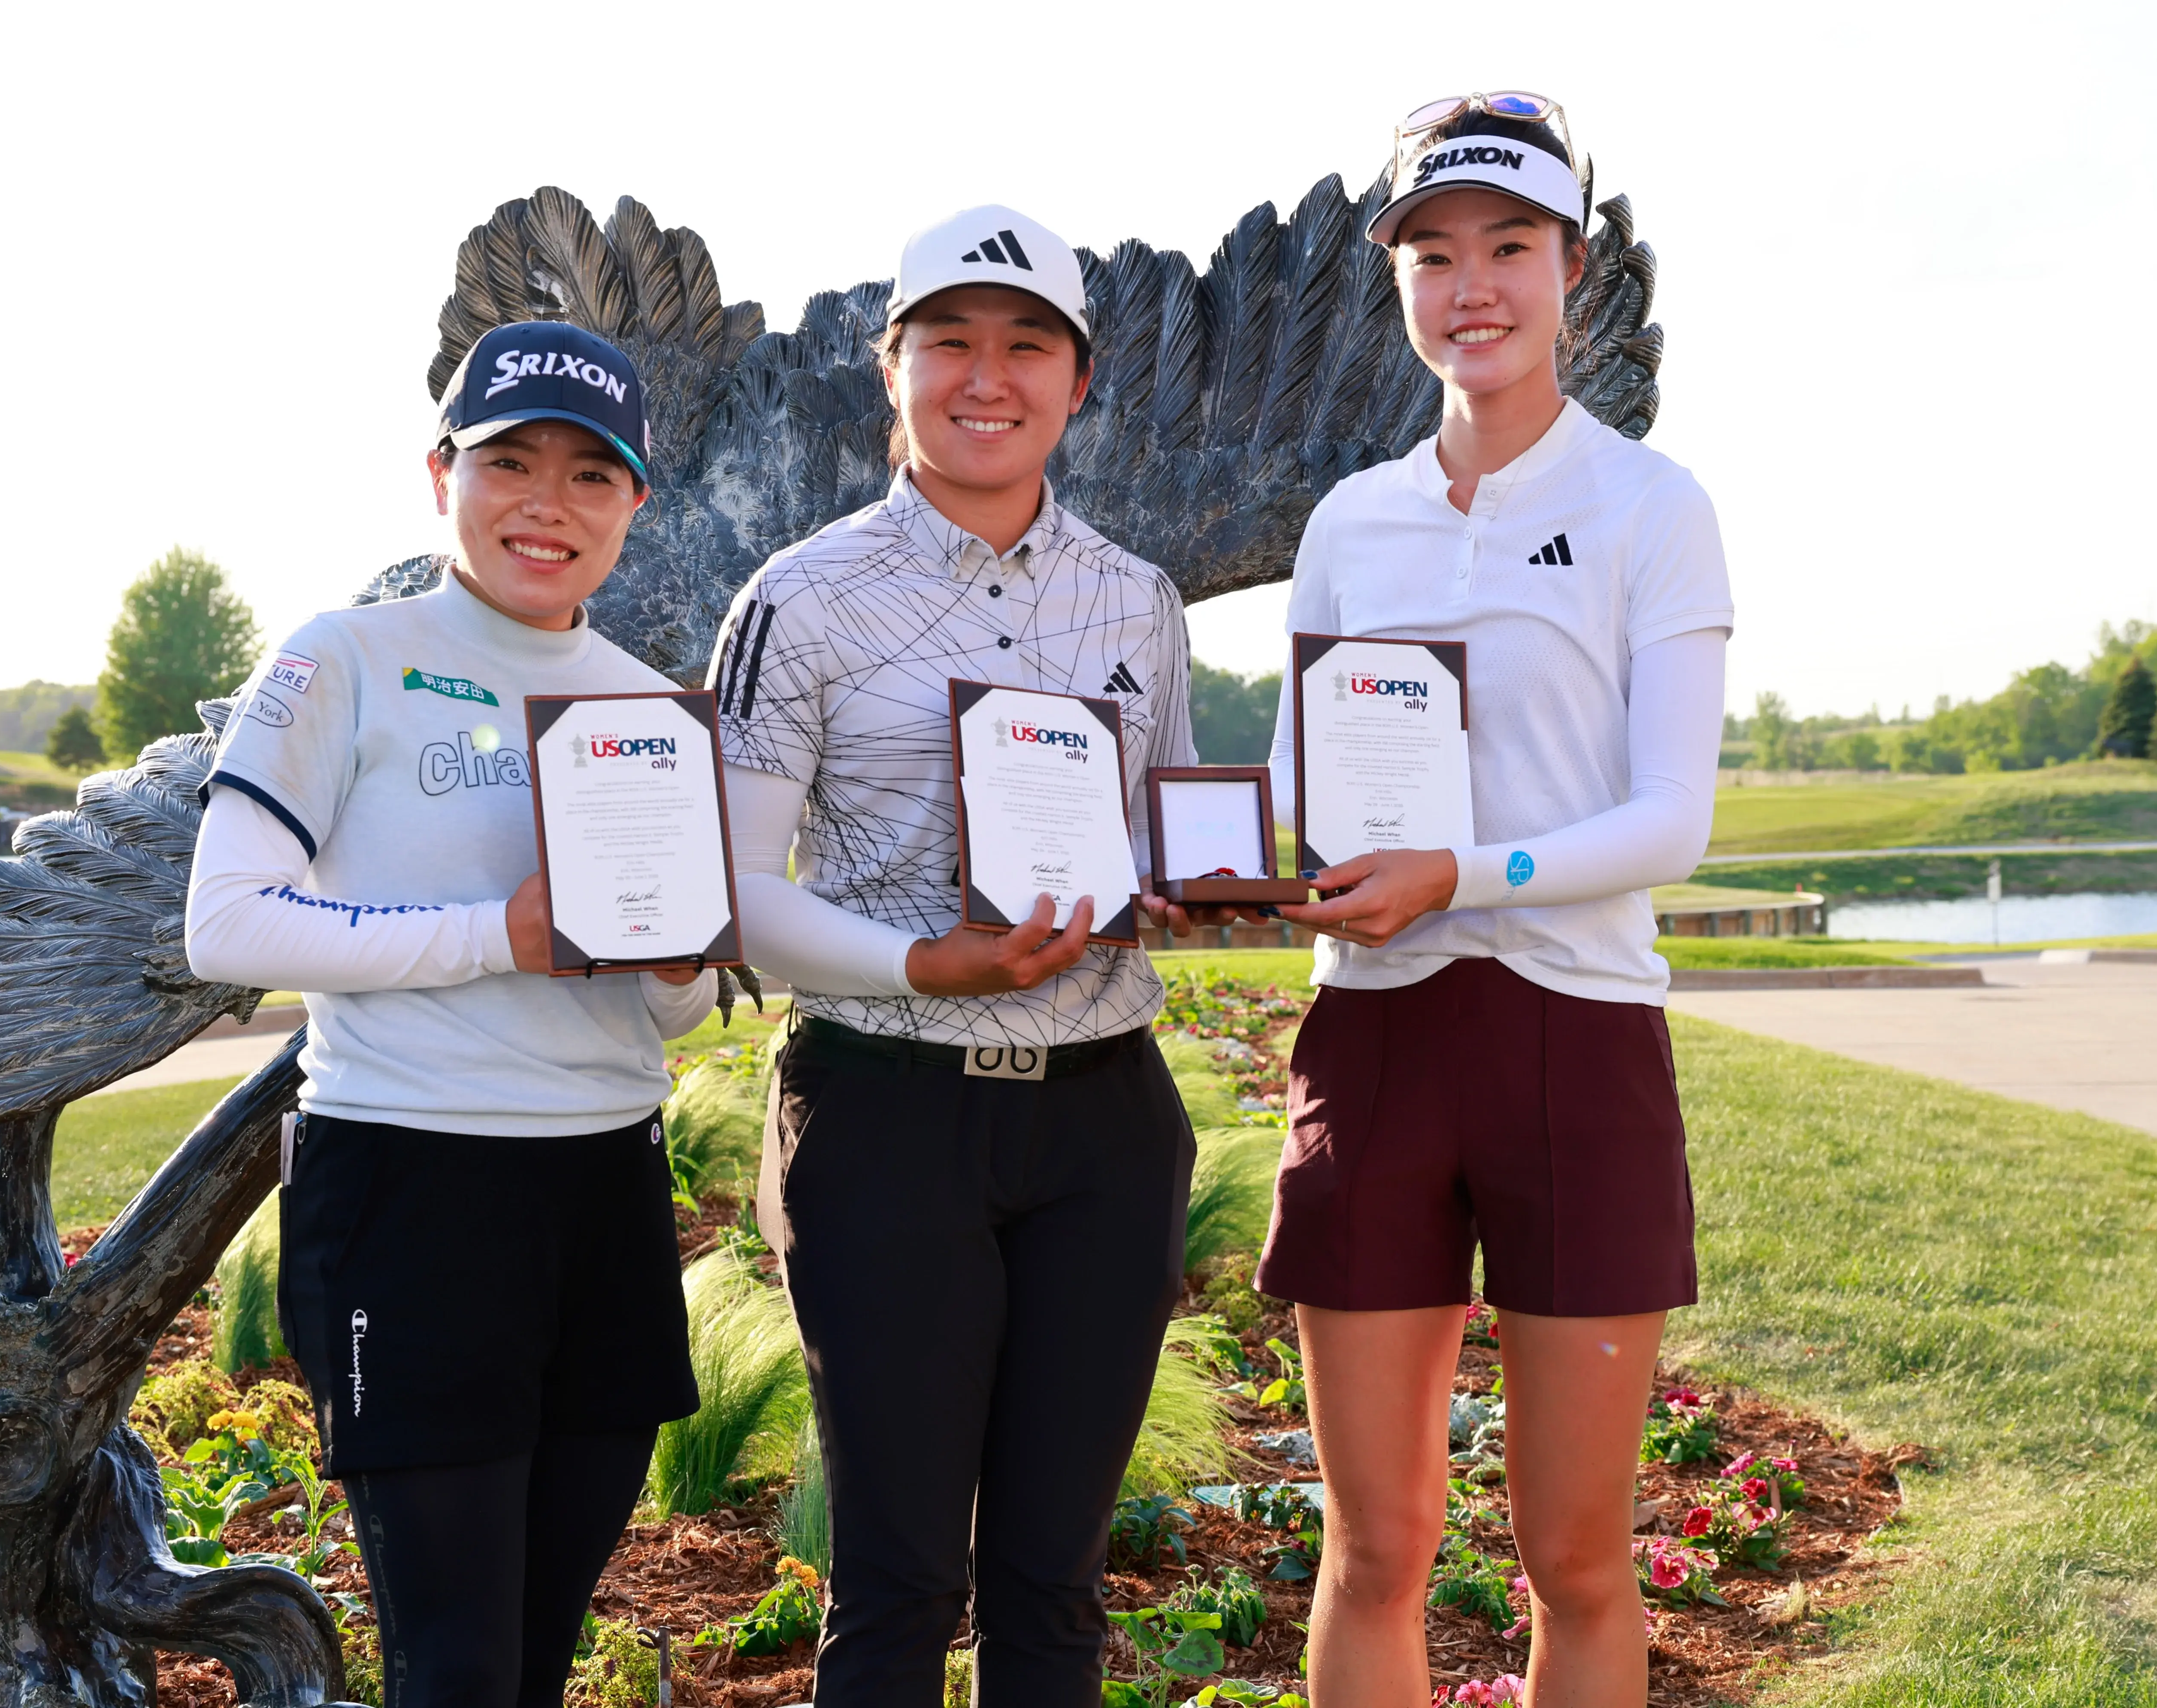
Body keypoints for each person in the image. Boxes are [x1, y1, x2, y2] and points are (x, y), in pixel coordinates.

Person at [707, 205, 1229, 1707]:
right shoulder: (799, 596)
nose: (987, 377)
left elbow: (1161, 834)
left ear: (1079, 380)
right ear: (893, 367)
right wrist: (924, 964)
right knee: (898, 1583)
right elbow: (727, 894)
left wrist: (1194, 892)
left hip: (1103, 1120)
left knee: (1056, 1589)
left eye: (1027, 346)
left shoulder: (1138, 597)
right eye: (950, 341)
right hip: (889, 1114)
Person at [1261, 95, 1733, 1707]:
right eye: (1437, 255)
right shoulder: (1353, 519)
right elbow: (1301, 783)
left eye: (1510, 248)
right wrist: (1240, 861)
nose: (1474, 287)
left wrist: (1463, 876)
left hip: (1577, 1041)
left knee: (1577, 1556)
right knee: (1374, 1551)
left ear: (1572, 270)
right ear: (1398, 278)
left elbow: (1673, 818)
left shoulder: (1651, 506)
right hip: (1375, 1039)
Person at [184, 320, 714, 1708]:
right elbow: (227, 922)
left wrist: (673, 960)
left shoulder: (651, 706)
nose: (550, 503)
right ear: (441, 476)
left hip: (608, 1189)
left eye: (590, 474)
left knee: (537, 1656)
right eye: (510, 461)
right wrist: (500, 935)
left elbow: (677, 1010)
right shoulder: (344, 658)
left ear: (634, 503)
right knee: (458, 1666)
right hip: (411, 1188)